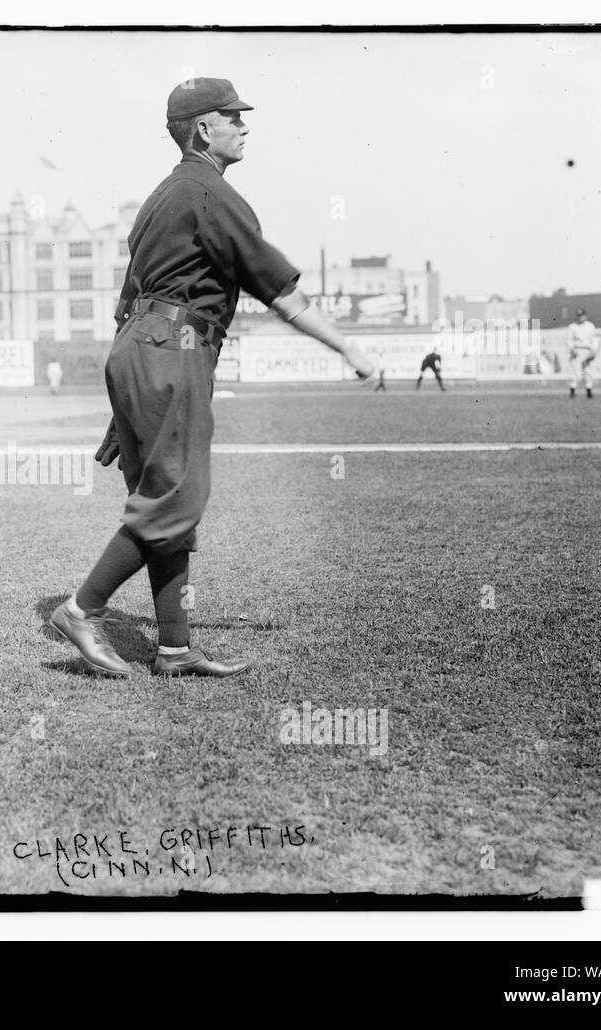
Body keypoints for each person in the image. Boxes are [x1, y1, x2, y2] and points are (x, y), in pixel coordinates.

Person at [47, 76, 383, 679]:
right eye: (234, 116)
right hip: (172, 348)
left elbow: (132, 303)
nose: (244, 125)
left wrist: (129, 399)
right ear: (205, 129)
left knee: (163, 496)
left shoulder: (161, 196)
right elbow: (282, 294)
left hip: (144, 347)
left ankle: (174, 647)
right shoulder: (209, 191)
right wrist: (349, 349)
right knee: (178, 497)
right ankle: (82, 609)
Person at [568, 309, 597, 398]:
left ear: (585, 316)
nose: (580, 317)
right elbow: (569, 340)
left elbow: (594, 340)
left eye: (582, 315)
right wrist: (572, 349)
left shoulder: (590, 326)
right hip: (577, 350)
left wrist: (593, 351)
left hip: (587, 350)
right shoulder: (573, 326)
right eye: (578, 316)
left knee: (588, 371)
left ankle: (589, 390)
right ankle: (572, 391)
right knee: (575, 372)